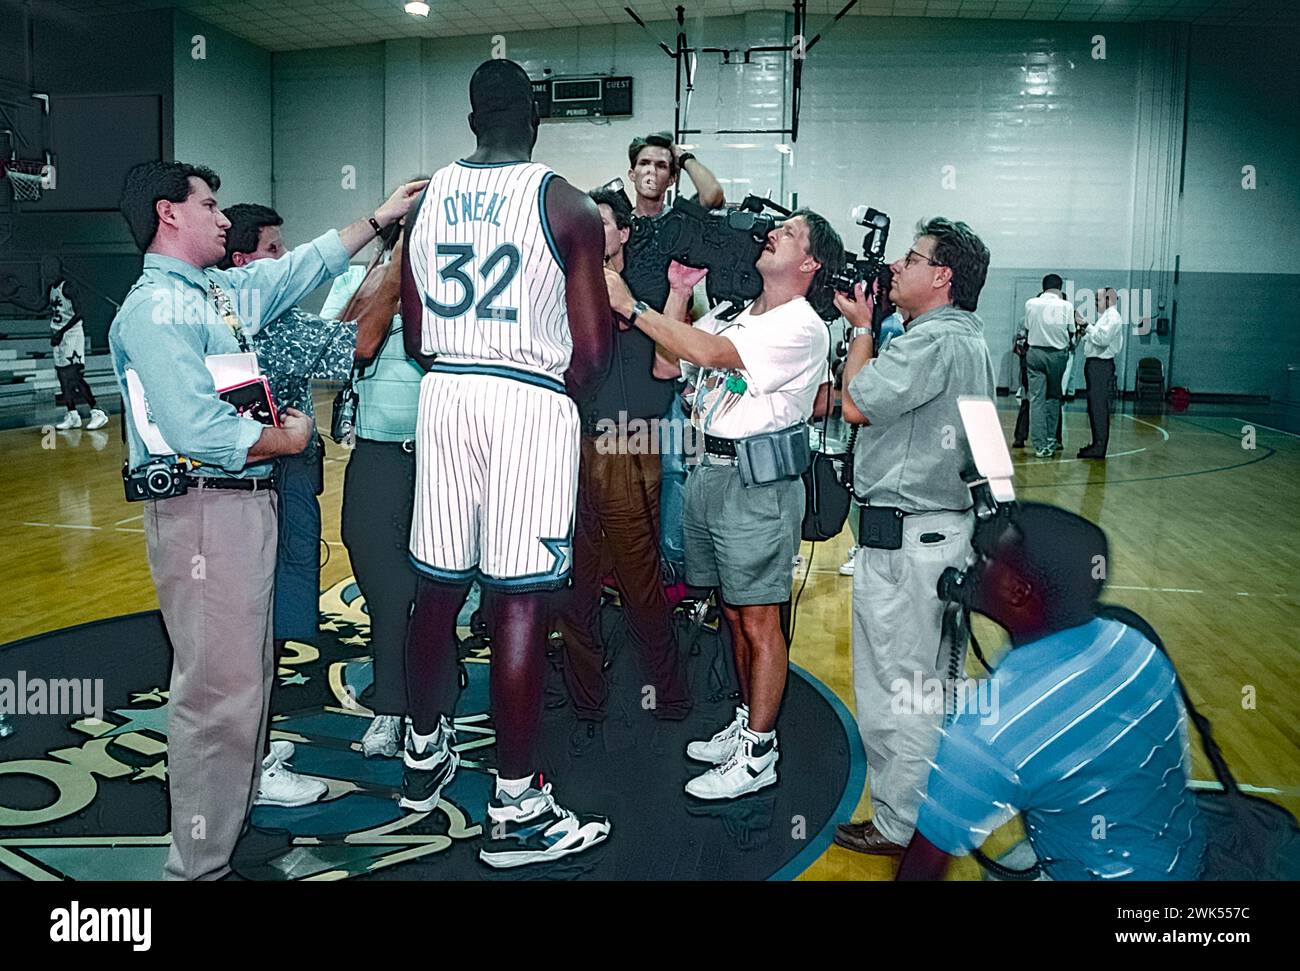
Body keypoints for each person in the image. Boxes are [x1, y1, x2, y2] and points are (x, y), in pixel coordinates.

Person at [109, 159, 426, 880]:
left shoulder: (214, 292)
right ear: (169, 214)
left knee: (245, 681)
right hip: (204, 506)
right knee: (215, 698)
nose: (224, 218)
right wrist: (285, 440)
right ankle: (198, 864)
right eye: (210, 205)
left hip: (237, 503)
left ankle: (227, 821)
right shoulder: (158, 309)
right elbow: (194, 423)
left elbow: (299, 266)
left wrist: (378, 220)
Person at [398, 59, 614, 868]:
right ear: (533, 116)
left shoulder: (426, 202)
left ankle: (424, 752)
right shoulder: (565, 202)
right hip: (528, 397)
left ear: (469, 117)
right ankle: (518, 802)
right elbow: (590, 355)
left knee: (437, 586)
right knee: (520, 603)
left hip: (446, 393)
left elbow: (415, 339)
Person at [606, 210, 843, 800]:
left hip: (756, 483)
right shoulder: (735, 313)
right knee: (733, 613)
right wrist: (681, 293)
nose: (771, 235)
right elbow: (669, 363)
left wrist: (634, 307)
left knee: (760, 617)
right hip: (710, 471)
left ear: (809, 264)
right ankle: (746, 724)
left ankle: (760, 754)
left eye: (787, 234)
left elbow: (711, 356)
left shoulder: (801, 324)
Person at [898, 503, 1206, 880]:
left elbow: (923, 867)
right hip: (1179, 858)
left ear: (1018, 592)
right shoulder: (1134, 642)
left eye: (986, 559)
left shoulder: (992, 731)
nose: (973, 565)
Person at [833, 217, 997, 855]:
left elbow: (856, 402)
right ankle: (931, 811)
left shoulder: (929, 344)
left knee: (895, 689)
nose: (896, 267)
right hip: (942, 537)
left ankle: (902, 824)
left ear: (942, 276)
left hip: (908, 545)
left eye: (911, 258)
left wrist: (862, 331)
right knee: (928, 685)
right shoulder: (969, 342)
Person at [219, 202, 392, 800]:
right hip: (271, 477)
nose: (284, 260)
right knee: (257, 627)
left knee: (259, 621)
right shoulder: (269, 326)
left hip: (273, 476)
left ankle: (251, 744)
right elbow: (360, 343)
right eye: (273, 250)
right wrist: (397, 265)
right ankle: (252, 762)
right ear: (244, 263)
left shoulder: (251, 315)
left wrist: (382, 260)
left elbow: (346, 325)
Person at [558, 186, 691, 756]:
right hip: (568, 446)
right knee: (573, 586)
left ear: (624, 233)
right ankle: (586, 698)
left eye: (602, 222)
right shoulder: (560, 291)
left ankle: (672, 693)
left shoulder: (649, 292)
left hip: (628, 445)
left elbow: (668, 368)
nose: (591, 231)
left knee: (640, 586)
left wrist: (664, 298)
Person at [320, 207, 426, 759]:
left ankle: (432, 711)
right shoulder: (357, 280)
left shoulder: (451, 286)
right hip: (377, 455)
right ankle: (391, 707)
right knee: (383, 590)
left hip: (438, 456)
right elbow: (348, 346)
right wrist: (394, 263)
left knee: (434, 591)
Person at [618, 132, 725, 586]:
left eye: (662, 166)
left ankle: (674, 565)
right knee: (620, 466)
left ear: (671, 176)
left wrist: (685, 155)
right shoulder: (616, 220)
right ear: (631, 170)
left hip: (667, 360)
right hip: (620, 362)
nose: (652, 171)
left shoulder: (677, 223)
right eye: (644, 162)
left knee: (674, 464)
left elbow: (713, 195)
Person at [839, 307, 905, 577]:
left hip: (874, 415)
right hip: (863, 414)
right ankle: (861, 542)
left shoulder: (890, 327)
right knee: (853, 483)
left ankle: (863, 543)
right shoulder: (873, 326)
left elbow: (873, 377)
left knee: (863, 487)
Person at [1022, 274, 1072, 458]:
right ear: (1060, 288)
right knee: (1053, 397)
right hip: (1057, 355)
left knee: (1036, 399)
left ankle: (1039, 446)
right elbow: (1071, 330)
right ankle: (1051, 439)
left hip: (1034, 353)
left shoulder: (1030, 303)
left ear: (1043, 287)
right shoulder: (1066, 305)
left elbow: (1028, 326)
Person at [48, 279, 108, 430]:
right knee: (62, 377)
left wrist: (61, 332)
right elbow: (37, 307)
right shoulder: (51, 288)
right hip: (58, 334)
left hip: (72, 334)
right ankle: (73, 414)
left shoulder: (68, 287)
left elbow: (79, 313)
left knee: (73, 376)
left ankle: (97, 411)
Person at [1077, 287, 1124, 459]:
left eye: (1098, 299)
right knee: (1094, 406)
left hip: (1101, 366)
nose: (1096, 303)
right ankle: (1096, 443)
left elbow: (1102, 339)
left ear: (1109, 299)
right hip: (1096, 365)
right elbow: (1096, 339)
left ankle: (1099, 446)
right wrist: (1086, 331)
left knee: (1098, 406)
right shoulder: (1106, 318)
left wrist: (1086, 325)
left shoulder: (1113, 318)